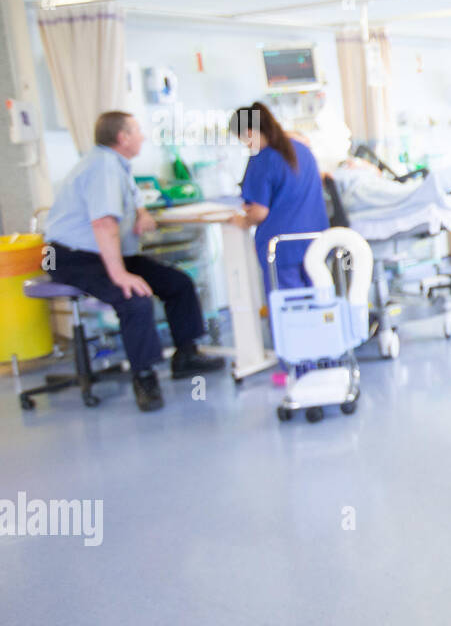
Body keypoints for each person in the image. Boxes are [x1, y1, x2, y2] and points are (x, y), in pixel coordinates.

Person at [44, 111, 225, 412]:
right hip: (71, 258)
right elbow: (103, 224)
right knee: (134, 298)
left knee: (177, 283)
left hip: (104, 253)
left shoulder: (116, 164)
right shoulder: (103, 167)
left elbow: (131, 198)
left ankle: (186, 356)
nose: (143, 136)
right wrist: (120, 275)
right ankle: (144, 377)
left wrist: (141, 213)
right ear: (122, 137)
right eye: (138, 130)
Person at [228, 103, 329, 296]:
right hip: (316, 243)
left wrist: (243, 221)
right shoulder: (303, 150)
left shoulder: (262, 159)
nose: (246, 144)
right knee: (320, 307)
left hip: (282, 250)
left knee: (290, 315)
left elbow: (259, 212)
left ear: (249, 132)